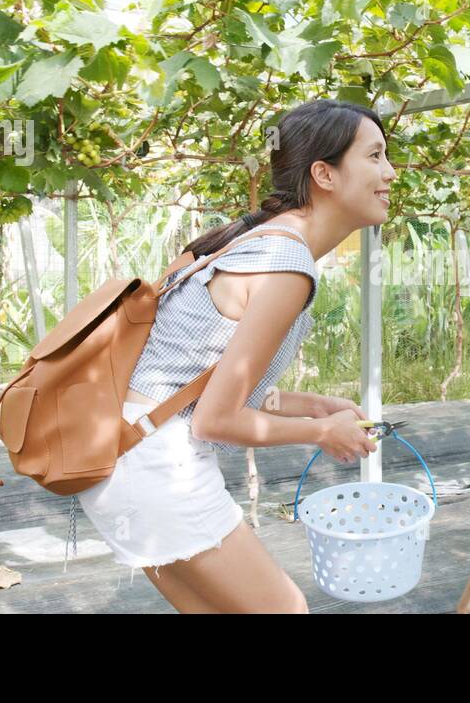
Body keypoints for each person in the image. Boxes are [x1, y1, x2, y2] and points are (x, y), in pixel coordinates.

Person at [77, 99, 398, 613]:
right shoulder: (285, 263)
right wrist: (322, 433)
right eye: (376, 156)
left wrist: (309, 405)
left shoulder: (263, 243)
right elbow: (215, 419)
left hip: (126, 452)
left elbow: (204, 382)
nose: (390, 172)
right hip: (155, 462)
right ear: (324, 174)